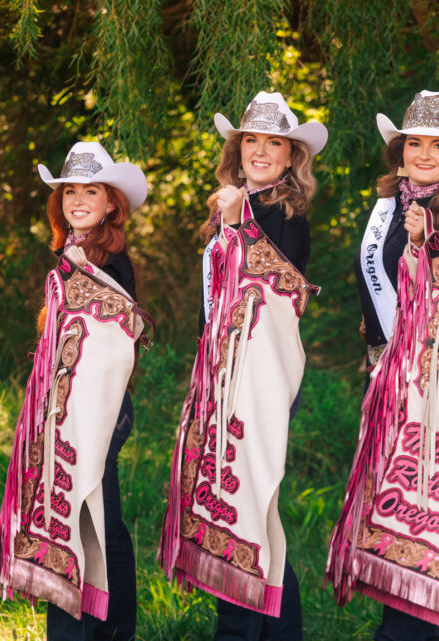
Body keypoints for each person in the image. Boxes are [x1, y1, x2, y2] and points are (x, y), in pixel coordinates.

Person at [159, 91, 327, 641]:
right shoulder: (235, 207)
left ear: (289, 158)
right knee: (256, 513)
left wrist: (237, 223)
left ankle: (237, 630)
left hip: (261, 380)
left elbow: (271, 286)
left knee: (240, 508)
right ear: (237, 150)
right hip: (225, 376)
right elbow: (217, 302)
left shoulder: (285, 212)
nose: (260, 150)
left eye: (273, 142)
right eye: (250, 139)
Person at [326, 90, 439, 641]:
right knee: (396, 506)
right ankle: (398, 622)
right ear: (400, 153)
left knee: (430, 509)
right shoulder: (385, 209)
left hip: (434, 385)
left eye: (438, 145)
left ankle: (430, 628)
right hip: (389, 381)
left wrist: (428, 245)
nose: (424, 153)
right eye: (414, 142)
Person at [0, 140, 151, 641]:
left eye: (91, 191)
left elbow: (119, 341)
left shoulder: (109, 259)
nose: (79, 200)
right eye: (70, 191)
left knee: (77, 513)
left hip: (96, 409)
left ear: (110, 203)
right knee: (101, 518)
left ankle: (81, 629)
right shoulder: (70, 255)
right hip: (73, 407)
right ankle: (110, 625)